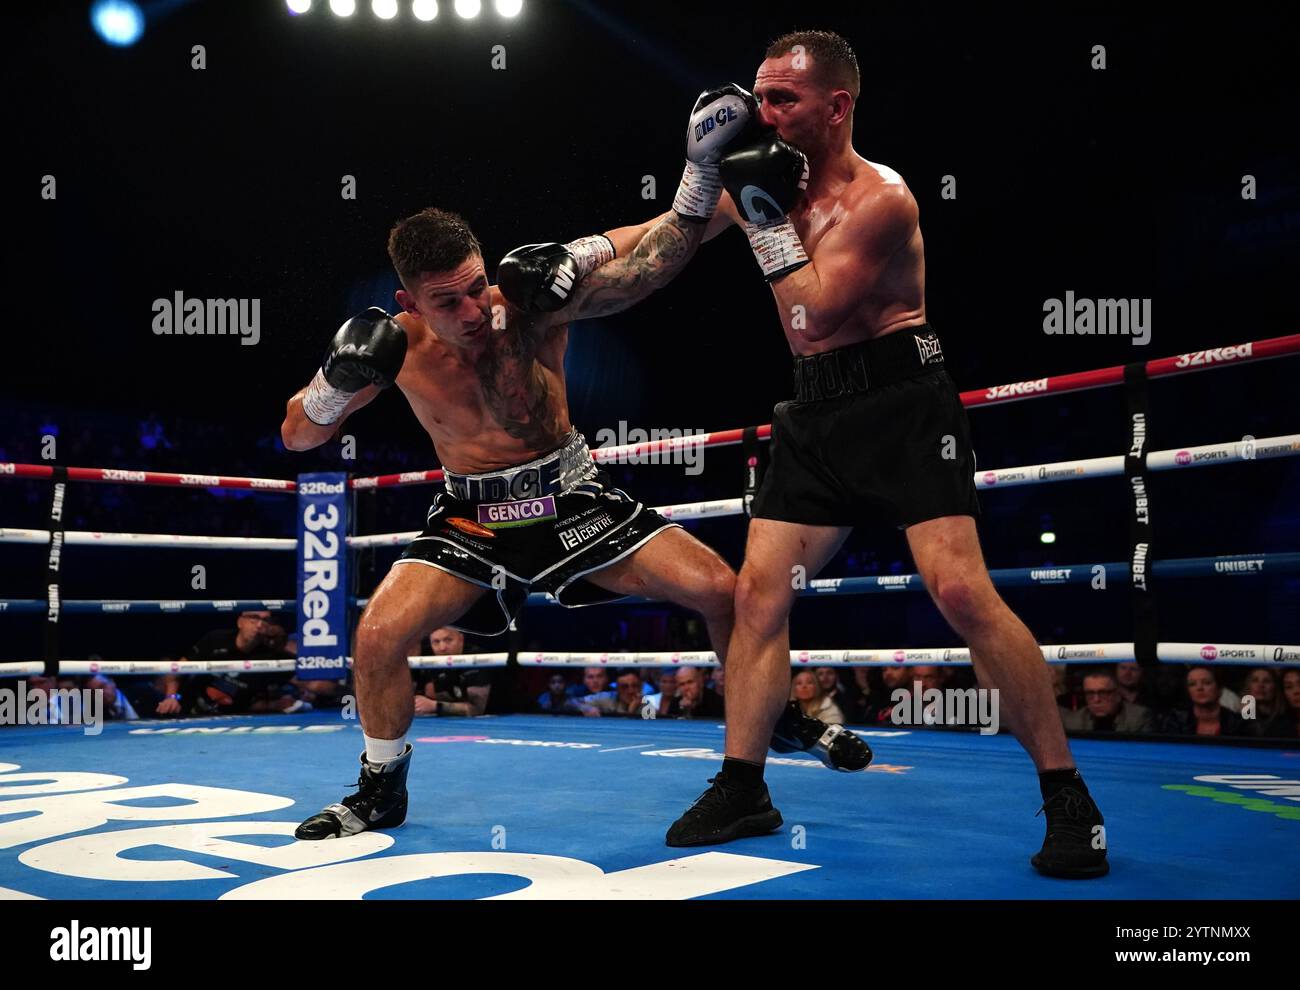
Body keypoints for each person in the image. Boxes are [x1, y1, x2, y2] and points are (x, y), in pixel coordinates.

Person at [285, 88, 865, 840]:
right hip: (471, 517)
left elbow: (655, 254)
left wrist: (715, 185)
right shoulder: (392, 346)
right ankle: (379, 790)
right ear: (409, 300)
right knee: (377, 635)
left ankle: (773, 719)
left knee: (725, 594)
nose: (471, 311)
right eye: (446, 302)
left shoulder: (529, 302)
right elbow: (298, 437)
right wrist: (335, 383)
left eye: (473, 286)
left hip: (571, 498)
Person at [664, 30, 1108, 879]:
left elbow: (813, 317)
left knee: (960, 592)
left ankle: (1067, 796)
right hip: (815, 412)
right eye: (759, 96)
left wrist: (759, 217)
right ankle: (744, 786)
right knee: (758, 597)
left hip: (903, 404)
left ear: (838, 106)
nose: (764, 114)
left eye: (784, 99)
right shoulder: (761, 172)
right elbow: (663, 241)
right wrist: (576, 261)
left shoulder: (884, 199)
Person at [1060, 668, 1153, 734]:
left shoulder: (1139, 718)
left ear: (1118, 694)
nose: (1096, 700)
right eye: (1090, 693)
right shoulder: (1073, 721)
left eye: (1103, 693)